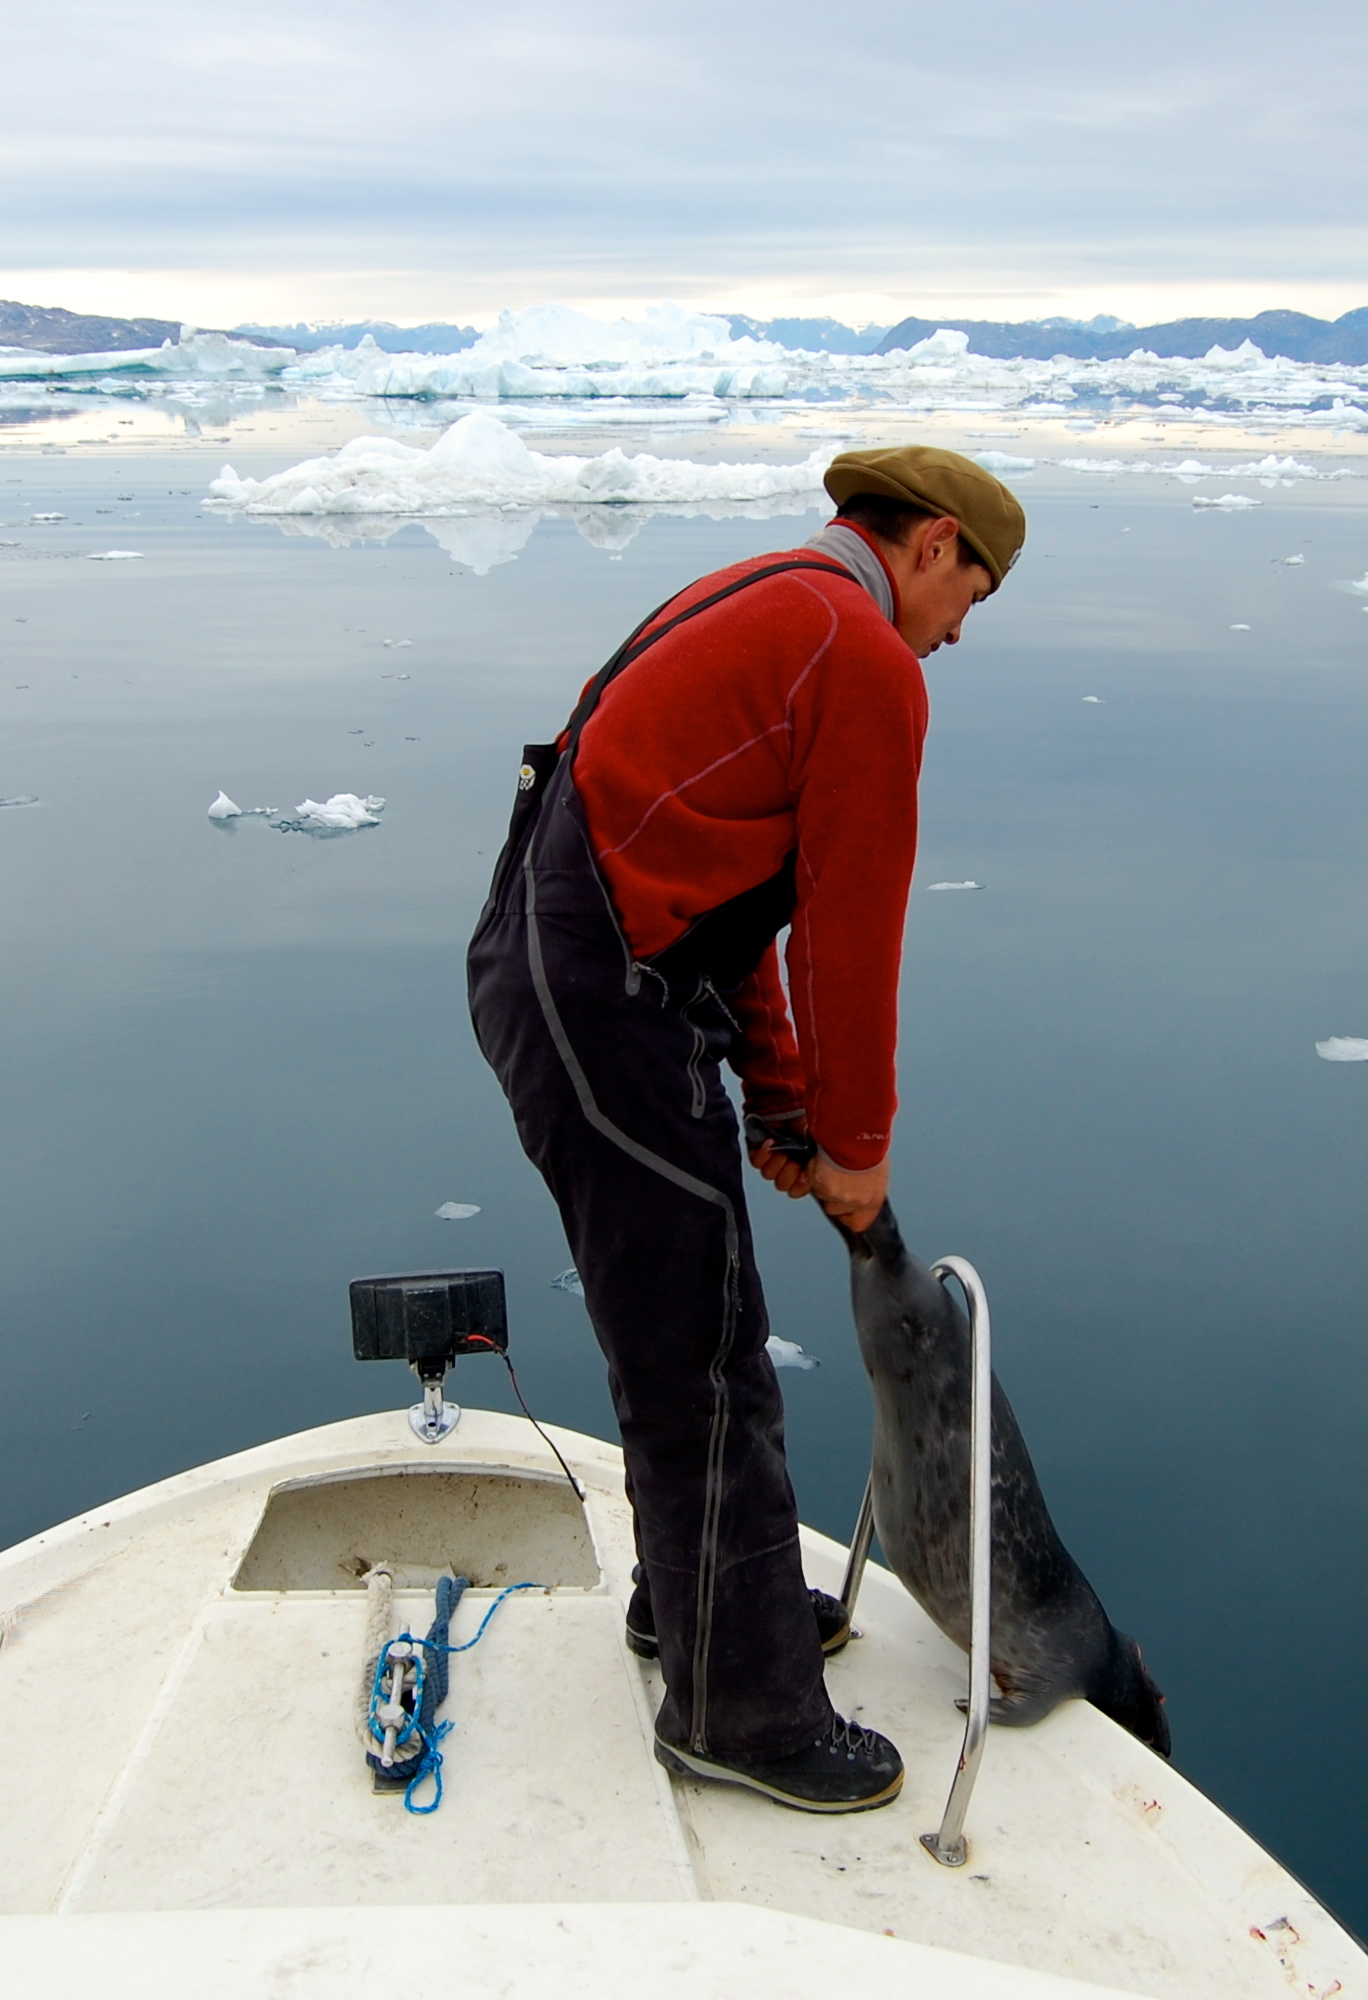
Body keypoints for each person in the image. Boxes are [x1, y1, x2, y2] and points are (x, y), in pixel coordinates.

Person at [466, 447, 1024, 1812]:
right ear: (935, 544)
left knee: (696, 1319)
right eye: (974, 599)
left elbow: (726, 898)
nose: (956, 637)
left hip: (595, 969)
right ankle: (741, 1713)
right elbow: (849, 922)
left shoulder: (775, 600)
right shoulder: (859, 652)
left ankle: (701, 1612)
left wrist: (786, 1104)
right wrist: (858, 1142)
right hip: (596, 988)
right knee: (704, 1357)